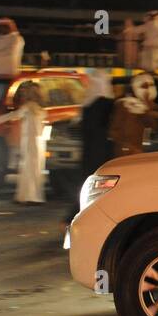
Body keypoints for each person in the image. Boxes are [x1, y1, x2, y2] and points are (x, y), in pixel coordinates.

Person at [63, 71, 115, 223]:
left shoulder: (89, 104)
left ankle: (76, 217)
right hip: (101, 153)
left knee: (91, 185)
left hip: (92, 153)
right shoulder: (105, 104)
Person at [0, 81, 46, 204]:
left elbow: (15, 115)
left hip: (29, 141)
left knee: (28, 167)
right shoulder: (39, 109)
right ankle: (33, 196)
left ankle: (27, 196)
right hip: (39, 142)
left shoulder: (28, 107)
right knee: (35, 168)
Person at [109, 72, 158, 157]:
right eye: (144, 86)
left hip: (143, 152)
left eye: (151, 85)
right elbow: (115, 131)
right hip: (128, 153)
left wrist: (144, 111)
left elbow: (154, 126)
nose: (148, 90)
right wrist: (127, 147)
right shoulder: (125, 105)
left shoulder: (152, 107)